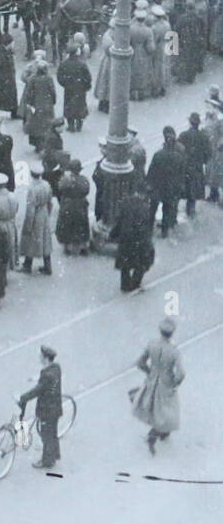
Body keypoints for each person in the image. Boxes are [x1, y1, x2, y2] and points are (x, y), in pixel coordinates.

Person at [133, 318, 184, 454]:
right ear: (172, 333)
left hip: (152, 380)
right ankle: (155, 434)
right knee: (169, 411)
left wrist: (149, 372)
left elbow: (140, 362)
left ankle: (161, 432)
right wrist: (174, 383)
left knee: (154, 407)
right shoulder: (174, 351)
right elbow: (181, 374)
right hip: (166, 383)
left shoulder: (152, 344)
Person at [18, 346, 63, 468]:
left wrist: (22, 397)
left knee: (46, 436)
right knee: (52, 432)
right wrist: (38, 377)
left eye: (41, 356)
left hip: (47, 411)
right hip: (56, 407)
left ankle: (47, 461)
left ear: (46, 358)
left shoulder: (46, 375)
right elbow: (46, 379)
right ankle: (55, 454)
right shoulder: (56, 368)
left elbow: (37, 391)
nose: (39, 358)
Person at [110, 181, 155, 292]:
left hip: (126, 237)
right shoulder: (145, 207)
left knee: (125, 263)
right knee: (142, 262)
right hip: (139, 239)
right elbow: (146, 225)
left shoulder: (126, 202)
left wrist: (114, 233)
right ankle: (135, 284)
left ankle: (125, 285)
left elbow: (119, 220)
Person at [146, 127, 185, 237]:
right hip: (170, 187)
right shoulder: (178, 157)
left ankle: (149, 229)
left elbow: (151, 171)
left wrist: (149, 184)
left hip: (157, 186)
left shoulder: (158, 155)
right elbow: (181, 174)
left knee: (152, 208)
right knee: (167, 209)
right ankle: (164, 230)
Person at [19, 162, 54, 275]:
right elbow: (50, 202)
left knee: (31, 239)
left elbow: (31, 209)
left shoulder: (32, 188)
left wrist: (28, 225)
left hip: (36, 215)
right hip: (44, 213)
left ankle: (27, 265)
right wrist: (47, 213)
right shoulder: (46, 184)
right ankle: (48, 265)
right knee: (45, 240)